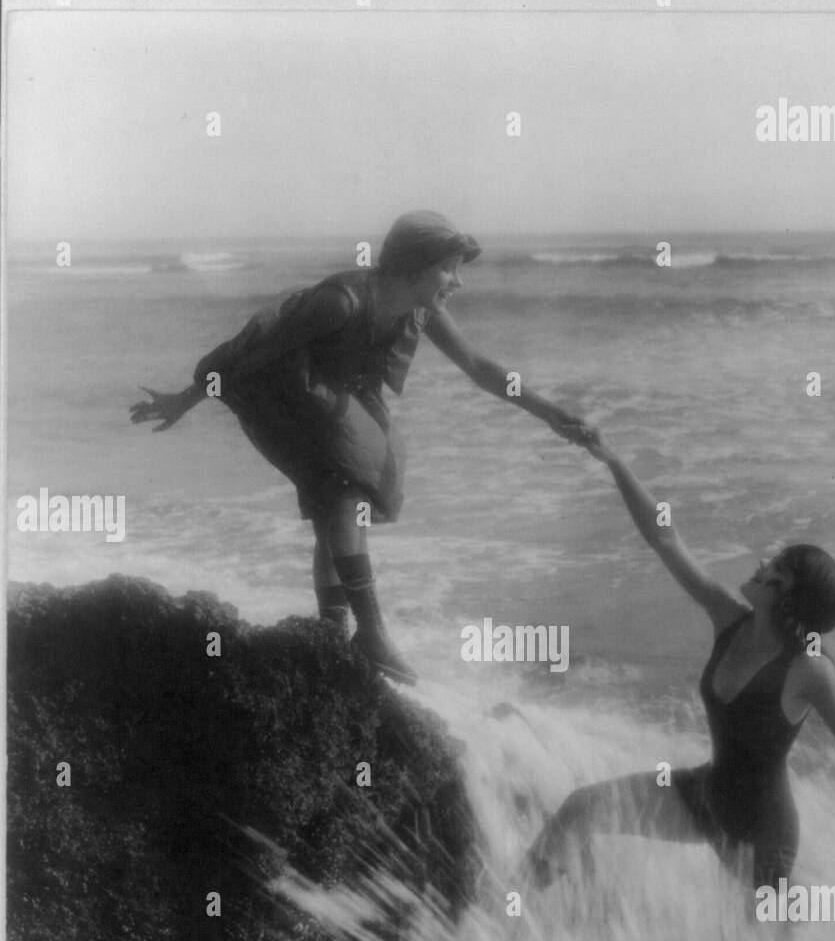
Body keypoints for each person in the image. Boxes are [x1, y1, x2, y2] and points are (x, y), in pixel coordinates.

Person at [130, 211, 594, 684]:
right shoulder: (340, 302)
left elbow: (478, 366)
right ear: (414, 268)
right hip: (284, 391)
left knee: (348, 496)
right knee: (349, 485)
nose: (458, 282)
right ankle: (370, 633)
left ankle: (333, 631)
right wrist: (184, 400)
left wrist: (551, 412)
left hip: (340, 394)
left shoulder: (421, 306)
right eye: (449, 269)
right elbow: (251, 348)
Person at [526, 437, 835, 895]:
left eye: (777, 571)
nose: (763, 564)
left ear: (788, 599)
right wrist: (613, 459)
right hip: (703, 798)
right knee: (582, 808)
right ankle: (524, 916)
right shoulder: (728, 618)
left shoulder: (808, 668)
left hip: (762, 837)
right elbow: (665, 537)